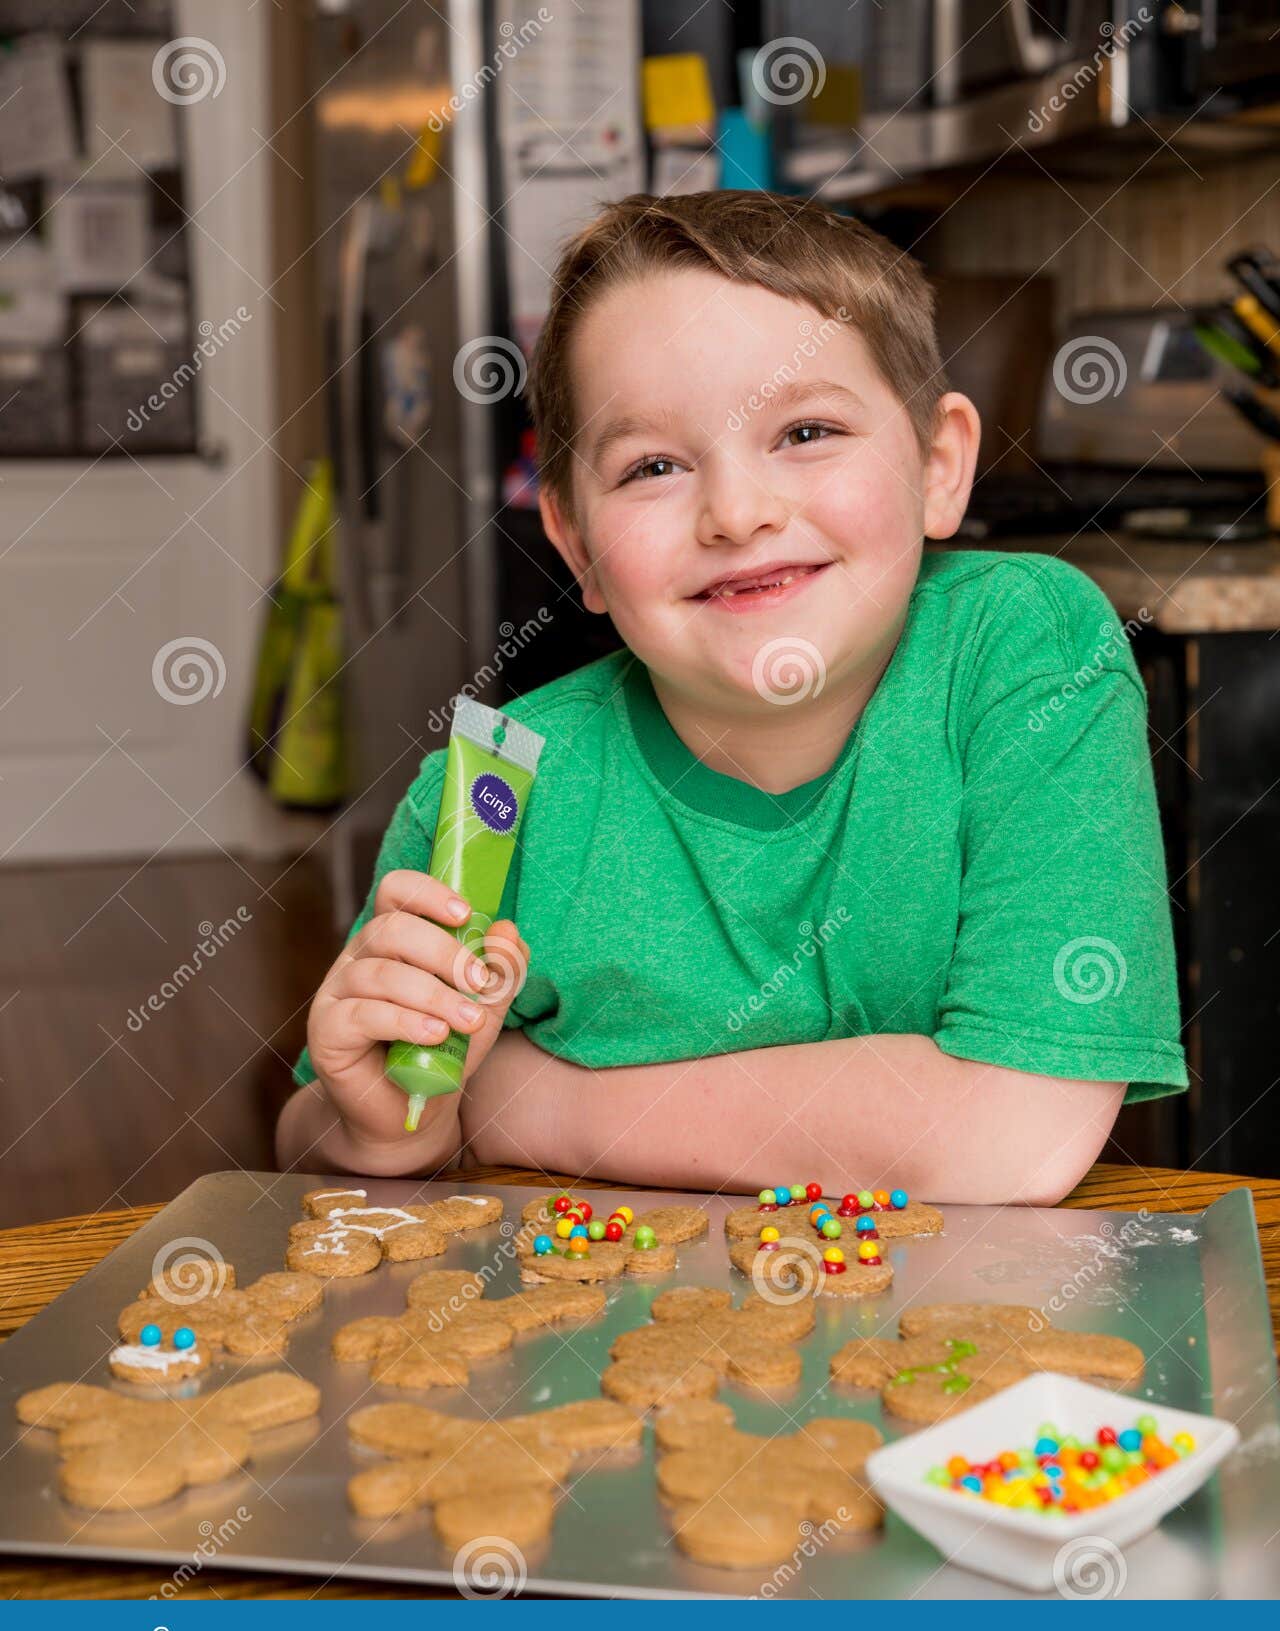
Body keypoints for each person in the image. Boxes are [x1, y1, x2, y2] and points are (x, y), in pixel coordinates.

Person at [277, 190, 1186, 1203]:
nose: (737, 513)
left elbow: (1017, 1133)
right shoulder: (496, 794)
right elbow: (322, 1132)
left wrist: (521, 1105)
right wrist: (379, 1125)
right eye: (653, 464)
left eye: (804, 431)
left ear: (936, 466)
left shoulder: (1026, 651)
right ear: (576, 544)